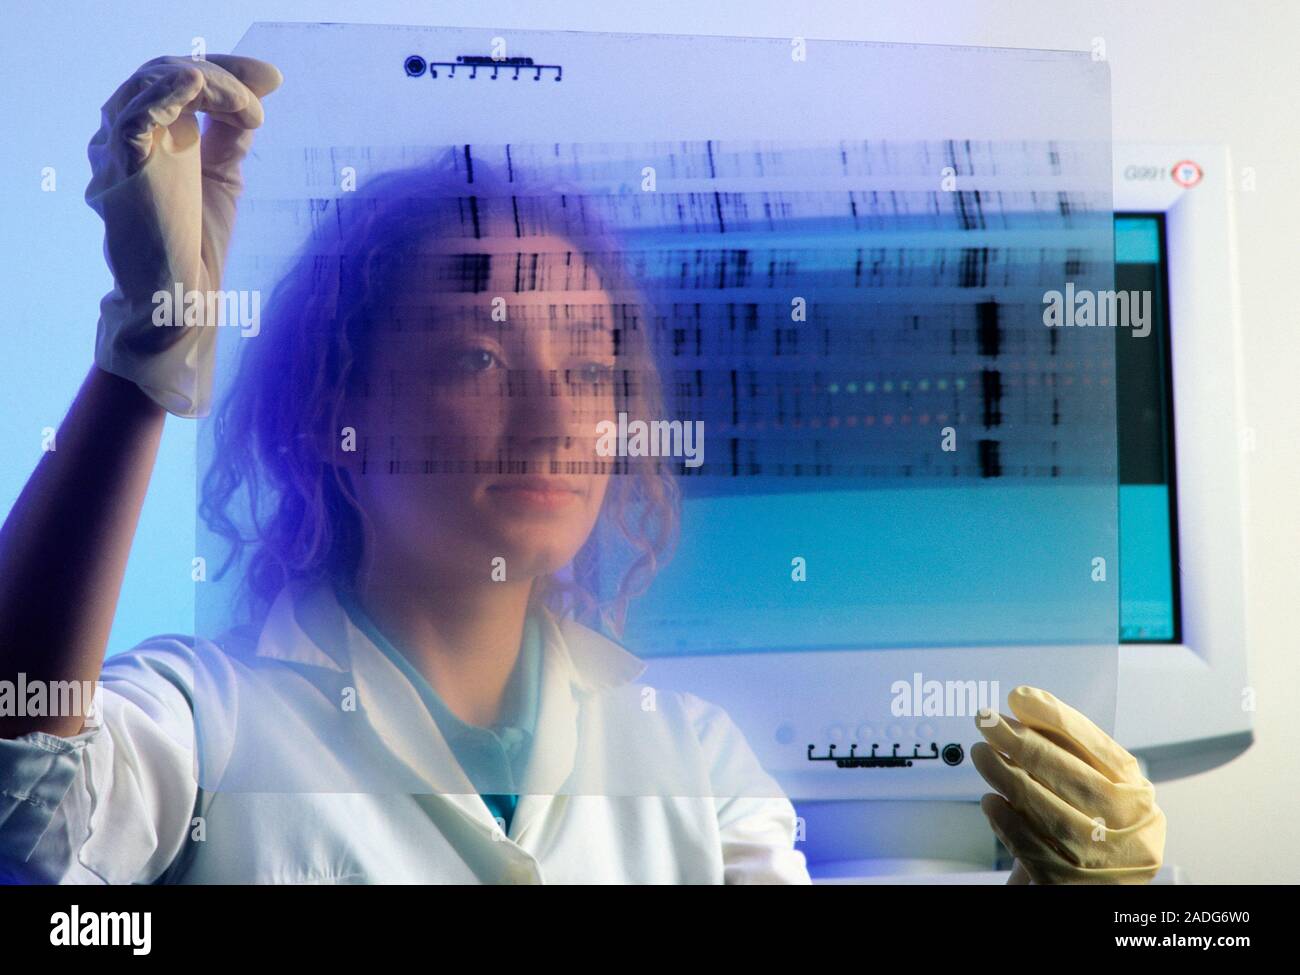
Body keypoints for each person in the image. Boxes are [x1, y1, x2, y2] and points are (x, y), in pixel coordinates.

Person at [0, 54, 1165, 884]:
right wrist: (147, 352)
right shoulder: (204, 722)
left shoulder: (695, 764)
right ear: (331, 414)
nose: (558, 414)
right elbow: (28, 823)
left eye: (592, 368)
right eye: (476, 353)